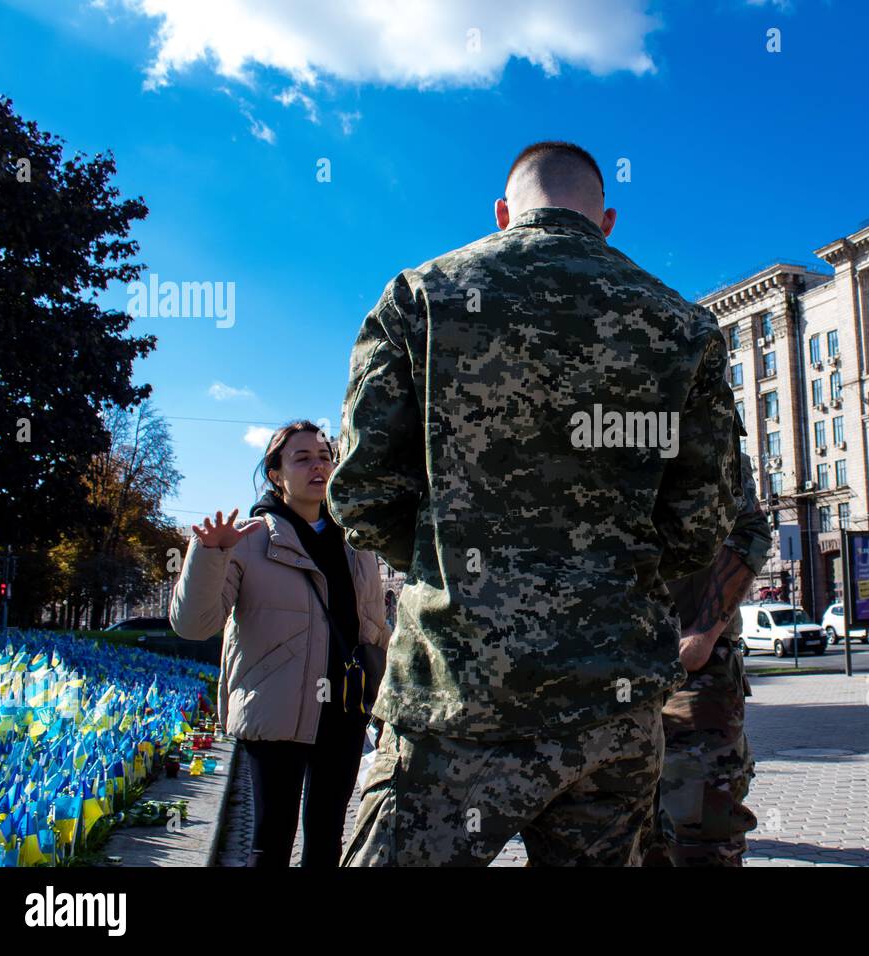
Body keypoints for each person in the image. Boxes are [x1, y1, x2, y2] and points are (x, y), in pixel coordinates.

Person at [329, 141, 743, 866]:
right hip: (611, 709)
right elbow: (703, 523)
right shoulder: (683, 326)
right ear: (606, 220)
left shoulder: (422, 295)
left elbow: (361, 494)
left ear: (503, 213)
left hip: (456, 695)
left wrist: (452, 564)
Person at [169, 421, 390, 866]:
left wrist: (383, 699)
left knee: (327, 840)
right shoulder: (248, 540)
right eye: (302, 458)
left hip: (345, 711)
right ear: (275, 475)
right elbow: (194, 626)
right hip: (277, 709)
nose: (318, 466)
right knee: (270, 843)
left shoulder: (357, 543)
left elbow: (373, 630)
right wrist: (209, 555)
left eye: (325, 457)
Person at [641, 452, 772, 866]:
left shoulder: (697, 412)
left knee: (698, 836)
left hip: (692, 674)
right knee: (614, 837)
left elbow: (749, 529)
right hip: (599, 672)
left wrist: (703, 632)